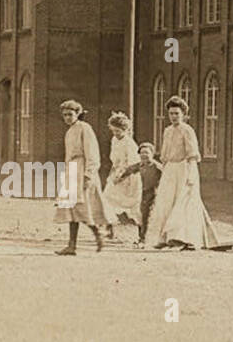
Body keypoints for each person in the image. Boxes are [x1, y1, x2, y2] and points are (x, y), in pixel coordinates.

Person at [144, 95, 220, 250]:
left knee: (183, 202)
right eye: (171, 113)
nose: (173, 117)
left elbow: (192, 154)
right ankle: (164, 237)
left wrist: (191, 174)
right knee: (166, 202)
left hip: (185, 168)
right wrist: (164, 171)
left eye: (177, 113)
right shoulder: (167, 131)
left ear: (183, 114)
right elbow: (164, 155)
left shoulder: (187, 130)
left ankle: (183, 238)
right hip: (170, 170)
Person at [53, 99, 108, 255]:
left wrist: (89, 174)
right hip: (72, 170)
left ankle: (98, 234)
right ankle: (71, 246)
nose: (68, 118)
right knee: (71, 209)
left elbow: (92, 153)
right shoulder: (69, 131)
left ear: (78, 114)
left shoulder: (84, 128)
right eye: (65, 115)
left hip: (82, 169)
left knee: (82, 208)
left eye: (70, 114)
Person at [102, 111, 141, 242]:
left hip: (129, 175)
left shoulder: (129, 143)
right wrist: (112, 175)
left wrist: (122, 176)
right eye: (113, 131)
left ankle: (140, 233)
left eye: (118, 131)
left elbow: (134, 165)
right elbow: (114, 161)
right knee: (106, 198)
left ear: (125, 129)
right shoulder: (114, 140)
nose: (116, 134)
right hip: (117, 173)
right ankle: (110, 230)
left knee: (133, 205)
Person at [116, 141, 163, 247]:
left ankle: (147, 238)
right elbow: (129, 170)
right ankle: (142, 238)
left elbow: (167, 175)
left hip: (155, 192)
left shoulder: (156, 166)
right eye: (141, 153)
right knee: (142, 214)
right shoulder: (140, 165)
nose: (144, 156)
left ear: (152, 154)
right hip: (144, 192)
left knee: (149, 214)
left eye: (147, 153)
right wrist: (119, 178)